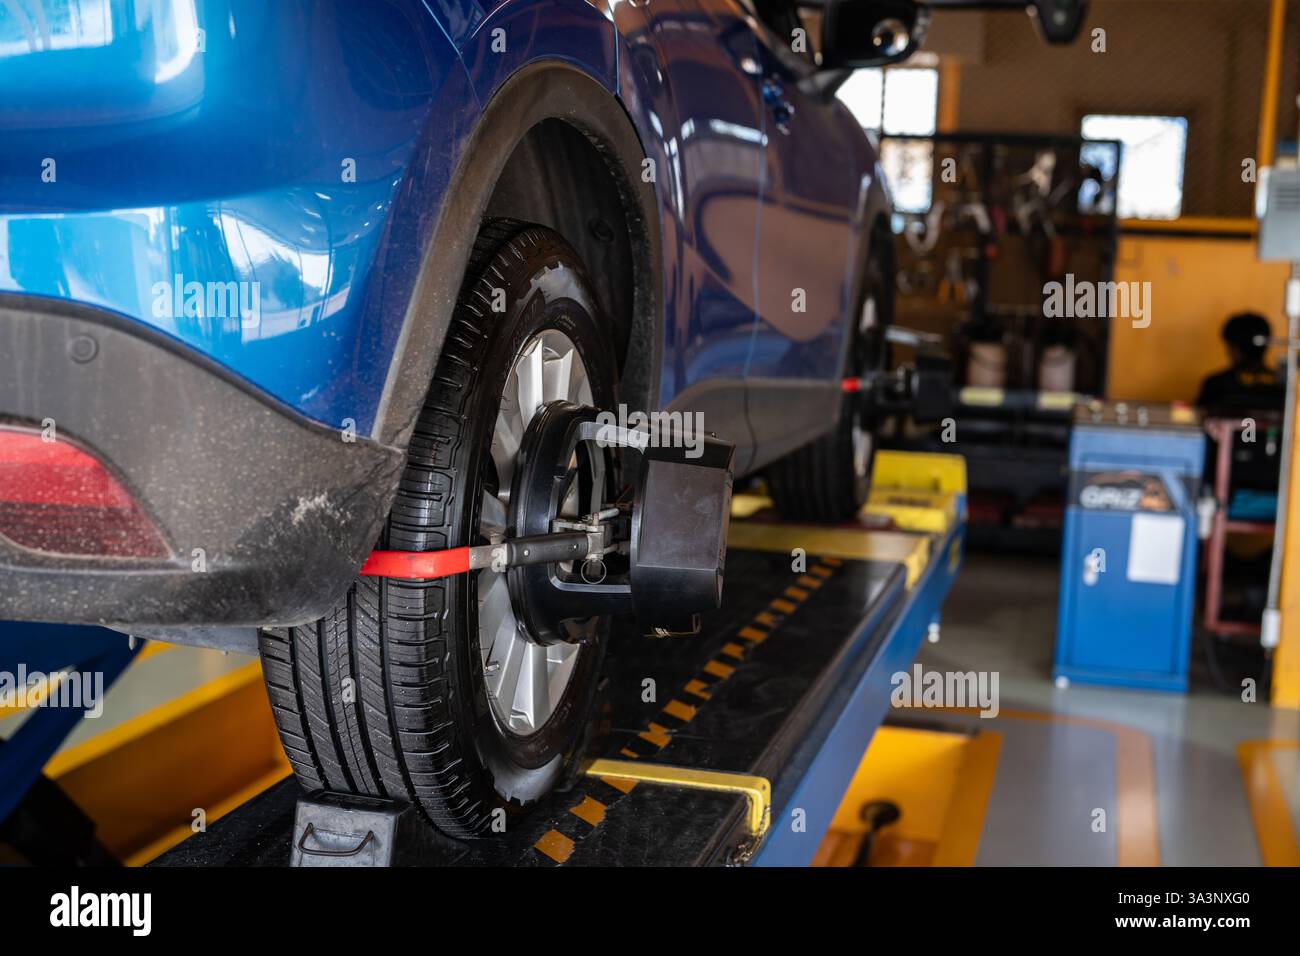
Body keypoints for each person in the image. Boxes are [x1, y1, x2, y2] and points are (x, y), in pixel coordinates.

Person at [1195, 311, 1284, 413]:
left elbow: (1198, 417)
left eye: (1229, 346)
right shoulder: (1284, 385)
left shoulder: (1216, 384)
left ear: (1235, 348)